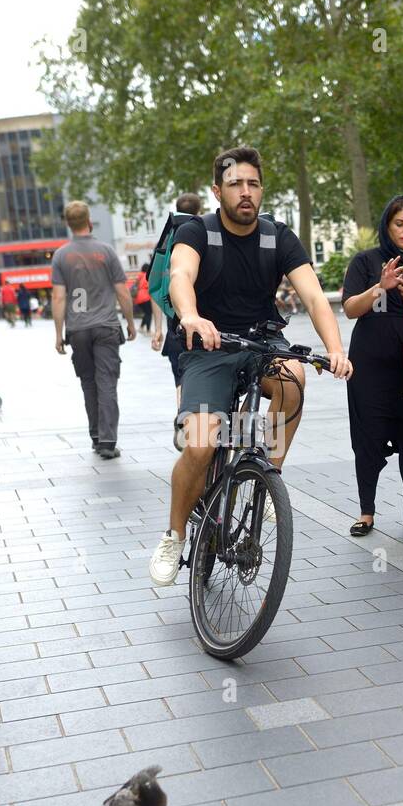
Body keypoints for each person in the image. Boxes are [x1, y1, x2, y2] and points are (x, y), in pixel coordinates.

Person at [148, 146, 353, 586]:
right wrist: (190, 316)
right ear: (216, 190)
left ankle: (267, 474)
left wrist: (335, 349)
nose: (246, 192)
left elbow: (315, 297)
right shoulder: (197, 232)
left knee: (294, 377)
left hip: (262, 342)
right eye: (236, 183)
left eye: (254, 184)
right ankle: (175, 534)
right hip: (210, 345)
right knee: (201, 446)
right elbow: (181, 276)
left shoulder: (277, 237)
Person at [340, 194, 403, 537]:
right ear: (387, 225)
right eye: (400, 224)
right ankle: (367, 512)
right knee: (369, 437)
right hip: (369, 366)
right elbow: (350, 308)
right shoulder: (366, 261)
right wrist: (380, 288)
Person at [51, 200, 136, 459]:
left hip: (78, 329)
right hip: (106, 326)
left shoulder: (61, 255)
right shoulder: (106, 251)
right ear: (89, 220)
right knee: (107, 383)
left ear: (68, 224)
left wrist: (58, 334)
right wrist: (130, 323)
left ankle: (96, 436)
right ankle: (108, 441)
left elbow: (58, 297)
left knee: (88, 383)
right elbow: (122, 290)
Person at [153, 192, 205, 394]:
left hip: (175, 325)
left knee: (180, 379)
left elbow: (156, 286)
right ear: (198, 211)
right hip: (208, 324)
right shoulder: (207, 234)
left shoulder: (166, 241)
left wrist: (158, 329)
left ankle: (182, 420)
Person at [134, 263, 154, 334]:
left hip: (138, 298)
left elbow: (136, 285)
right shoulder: (147, 275)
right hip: (145, 297)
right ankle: (148, 330)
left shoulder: (140, 275)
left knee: (146, 313)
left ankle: (141, 327)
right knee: (149, 313)